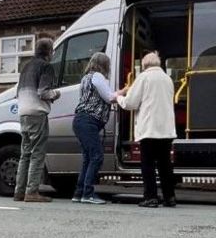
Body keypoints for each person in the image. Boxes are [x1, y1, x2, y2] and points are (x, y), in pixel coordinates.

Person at [117, 51, 177, 208]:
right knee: (165, 165)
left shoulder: (143, 77)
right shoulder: (167, 79)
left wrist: (118, 98)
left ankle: (150, 196)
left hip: (149, 129)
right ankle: (169, 196)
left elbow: (131, 103)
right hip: (166, 129)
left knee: (148, 165)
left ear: (144, 65)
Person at [72, 52, 123, 205]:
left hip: (81, 121)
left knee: (88, 158)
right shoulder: (98, 77)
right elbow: (109, 97)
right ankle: (88, 194)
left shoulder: (85, 78)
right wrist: (127, 90)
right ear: (104, 65)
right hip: (88, 121)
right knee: (96, 156)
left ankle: (79, 192)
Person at [14, 38, 60, 203]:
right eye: (52, 50)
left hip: (23, 112)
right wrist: (56, 94)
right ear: (49, 52)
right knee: (37, 154)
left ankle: (19, 191)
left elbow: (17, 92)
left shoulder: (26, 66)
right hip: (37, 113)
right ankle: (32, 192)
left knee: (25, 154)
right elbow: (43, 92)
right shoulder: (46, 66)